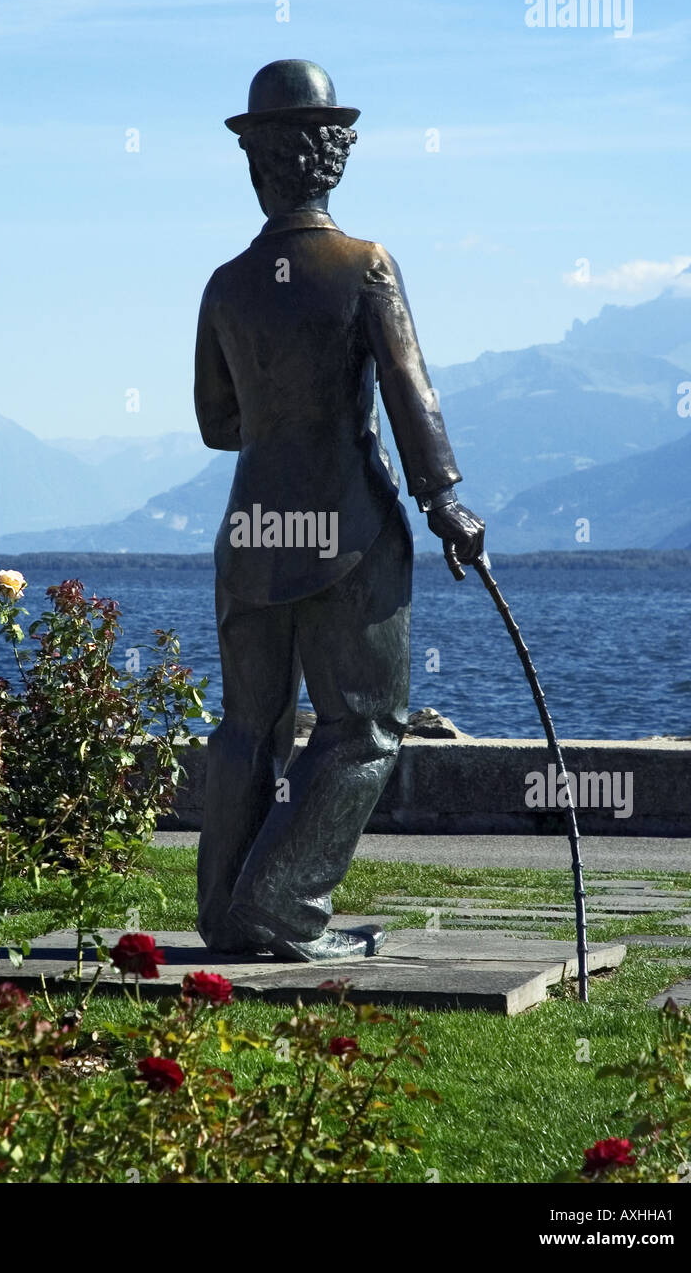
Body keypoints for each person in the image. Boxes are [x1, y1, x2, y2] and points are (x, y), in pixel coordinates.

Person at [194, 59, 484, 962]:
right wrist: (444, 499)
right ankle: (277, 908)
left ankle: (225, 908)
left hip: (251, 531)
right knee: (362, 724)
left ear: (257, 163)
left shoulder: (226, 283)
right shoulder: (365, 265)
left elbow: (218, 425)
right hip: (345, 532)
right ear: (332, 160)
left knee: (250, 722)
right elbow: (408, 390)